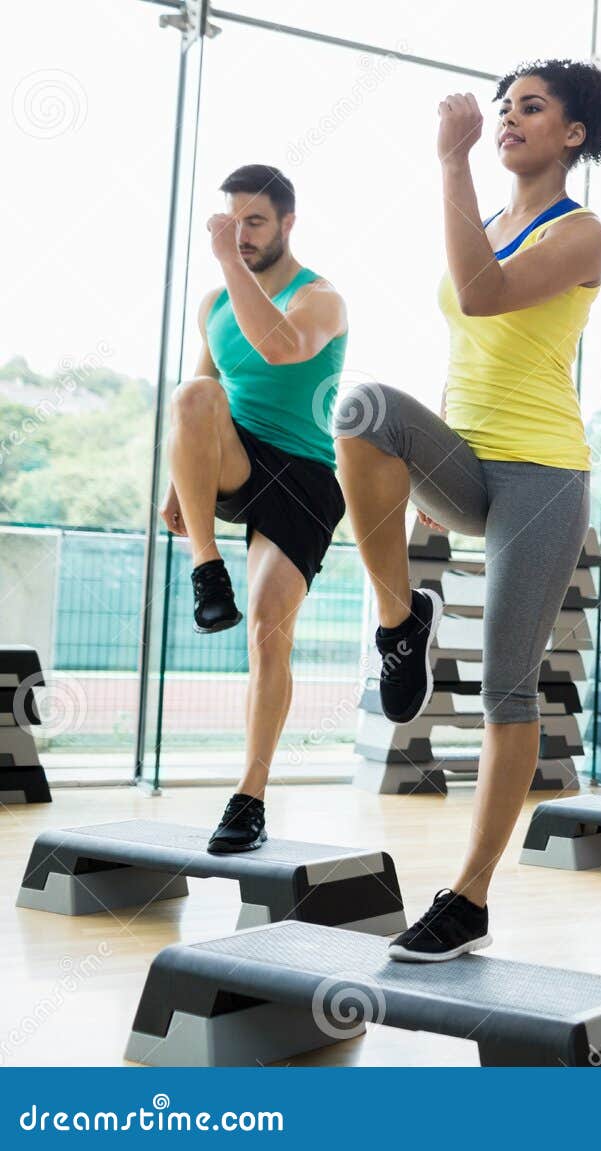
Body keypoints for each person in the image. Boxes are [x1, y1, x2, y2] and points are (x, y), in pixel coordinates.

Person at [333, 59, 601, 961]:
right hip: (466, 461)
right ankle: (401, 621)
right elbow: (469, 347)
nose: (508, 118)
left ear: (572, 134)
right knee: (364, 410)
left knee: (508, 685)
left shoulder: (582, 233)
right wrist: (412, 474)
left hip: (542, 479)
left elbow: (481, 294)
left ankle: (468, 897)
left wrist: (451, 161)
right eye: (503, 107)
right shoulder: (493, 218)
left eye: (530, 108)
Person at [159, 164, 349, 855]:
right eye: (231, 223)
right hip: (239, 458)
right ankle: (206, 570)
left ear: (288, 224)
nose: (240, 236)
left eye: (255, 223)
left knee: (269, 629)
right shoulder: (213, 303)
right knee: (190, 395)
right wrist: (184, 485)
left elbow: (281, 346)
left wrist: (225, 260)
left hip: (303, 477)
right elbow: (202, 393)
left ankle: (250, 795)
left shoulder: (321, 298)